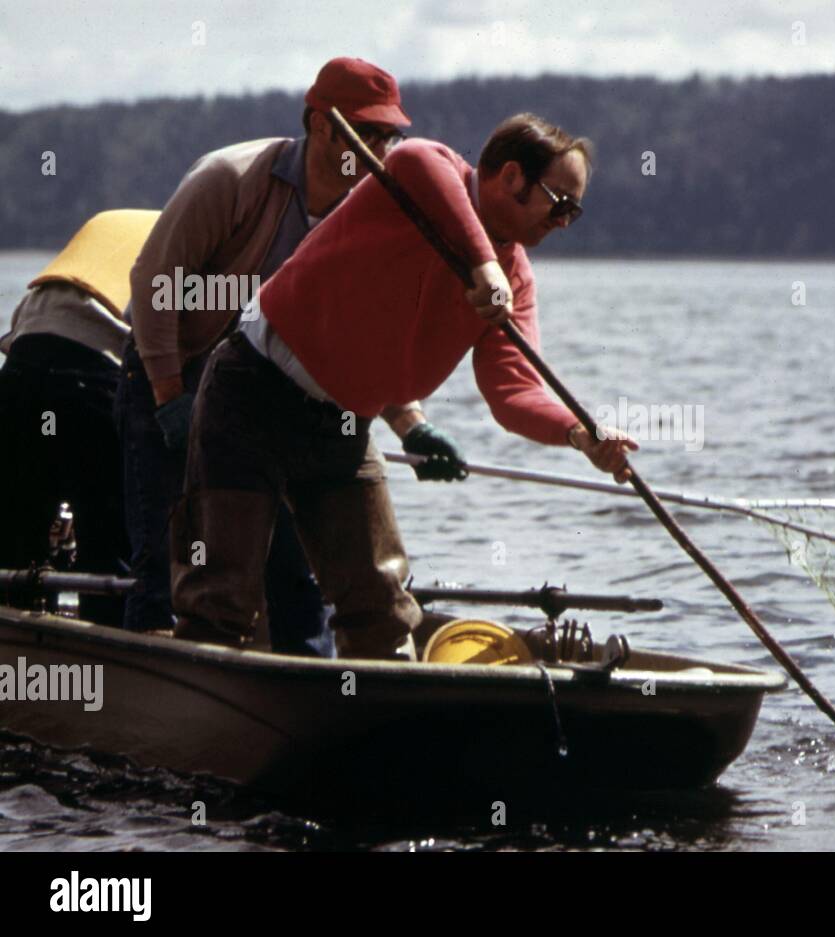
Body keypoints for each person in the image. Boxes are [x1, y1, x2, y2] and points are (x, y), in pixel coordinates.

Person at [171, 113, 637, 659]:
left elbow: (513, 396)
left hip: (342, 428)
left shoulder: (513, 282)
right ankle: (202, 708)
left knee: (381, 609)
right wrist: (482, 264)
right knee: (220, 596)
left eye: (574, 213)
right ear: (512, 177)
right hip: (252, 392)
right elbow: (415, 157)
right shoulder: (424, 176)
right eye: (561, 204)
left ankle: (382, 716)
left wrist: (579, 433)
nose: (564, 222)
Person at [116, 57, 441, 656]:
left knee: (298, 564)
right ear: (321, 125)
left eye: (389, 137)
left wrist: (411, 422)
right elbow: (154, 282)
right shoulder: (230, 179)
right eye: (364, 133)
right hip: (176, 371)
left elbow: (368, 337)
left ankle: (307, 681)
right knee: (174, 555)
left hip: (272, 392)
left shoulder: (371, 212)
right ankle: (159, 692)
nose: (378, 148)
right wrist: (169, 398)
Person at [0, 210, 159, 625]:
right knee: (111, 544)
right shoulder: (190, 250)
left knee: (13, 539)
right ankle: (112, 653)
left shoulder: (106, 228)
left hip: (19, 373)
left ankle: (19, 643)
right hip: (92, 381)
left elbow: (16, 337)